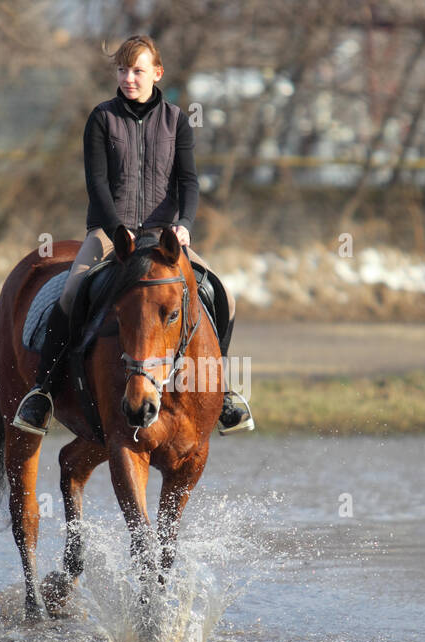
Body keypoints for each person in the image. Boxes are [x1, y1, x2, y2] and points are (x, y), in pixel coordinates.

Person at [13, 35, 254, 436]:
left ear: (157, 73)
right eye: (123, 70)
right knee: (71, 292)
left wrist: (185, 225)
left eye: (137, 70)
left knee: (221, 293)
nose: (129, 78)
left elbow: (190, 181)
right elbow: (97, 184)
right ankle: (42, 393)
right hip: (112, 234)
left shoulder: (177, 120)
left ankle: (224, 393)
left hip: (164, 237)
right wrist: (115, 227)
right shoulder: (101, 119)